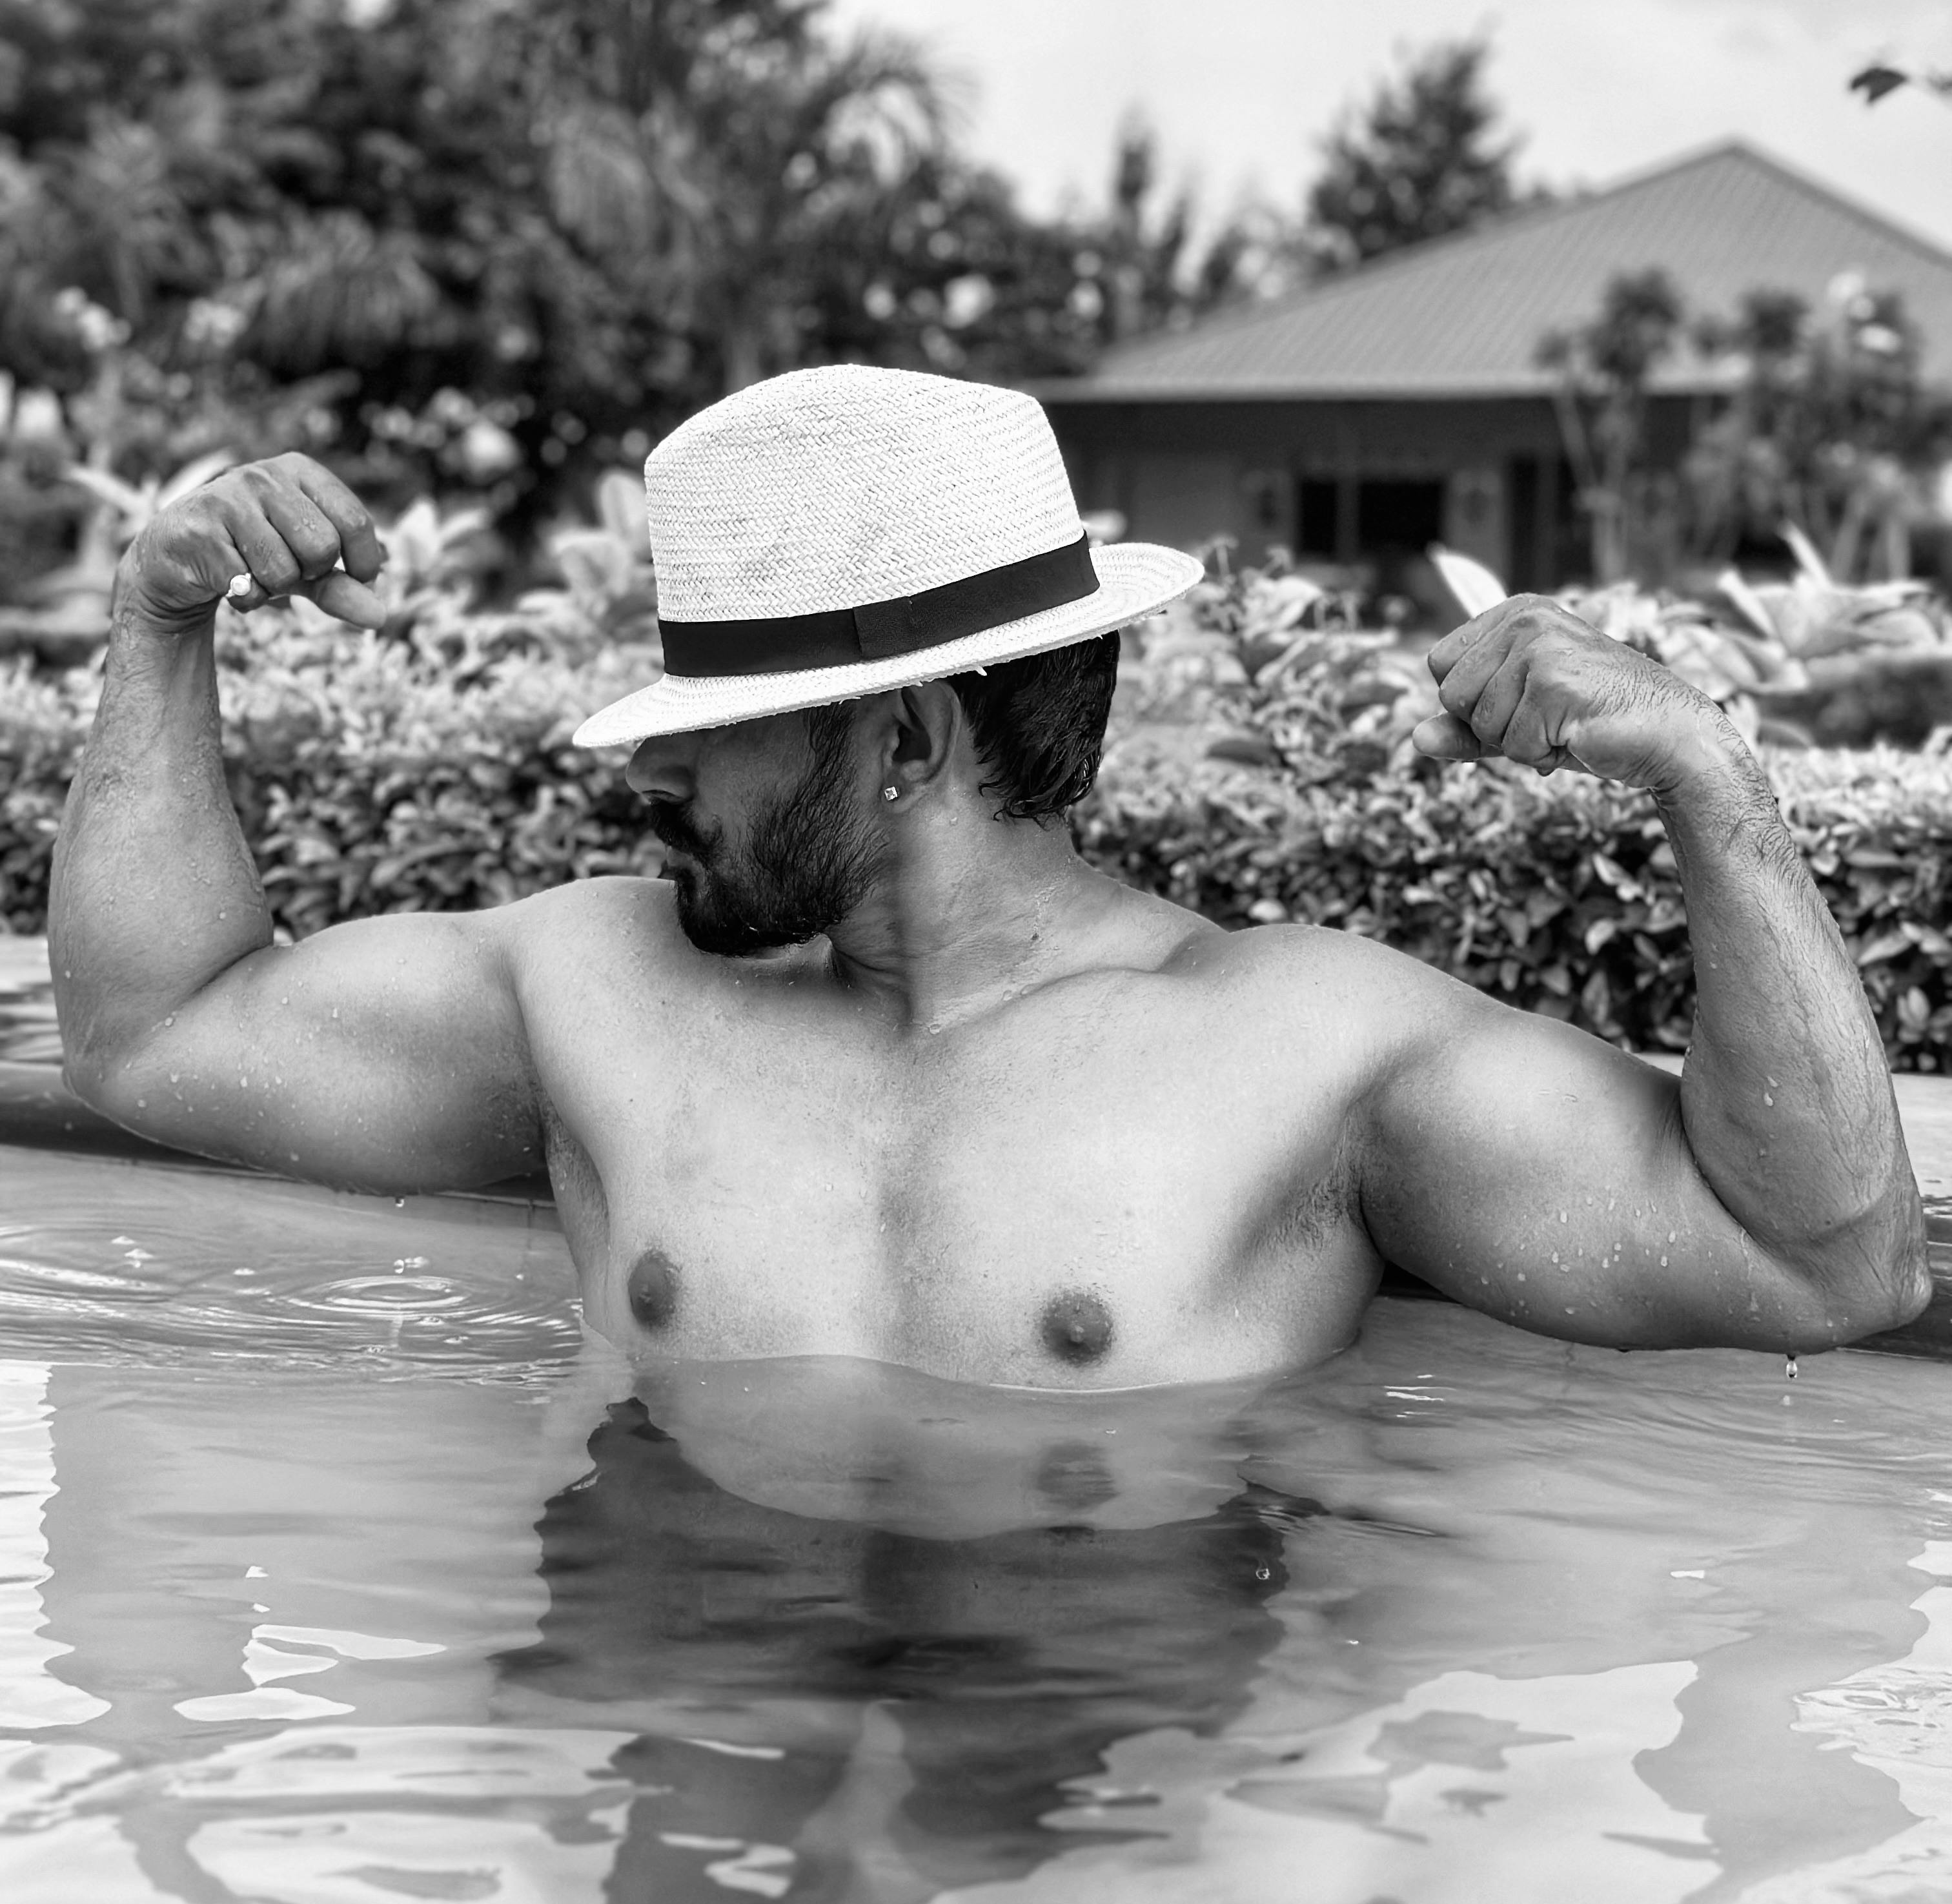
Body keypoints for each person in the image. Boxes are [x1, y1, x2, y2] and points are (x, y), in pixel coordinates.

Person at [50, 365, 1927, 1382]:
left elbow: (1820, 1266)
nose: (668, 771)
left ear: (903, 742)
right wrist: (160, 617)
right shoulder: (593, 1000)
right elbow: (155, 1037)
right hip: (690, 1822)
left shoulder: (1295, 1053)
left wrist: (1701, 766)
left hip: (1081, 1869)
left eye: (722, 720)